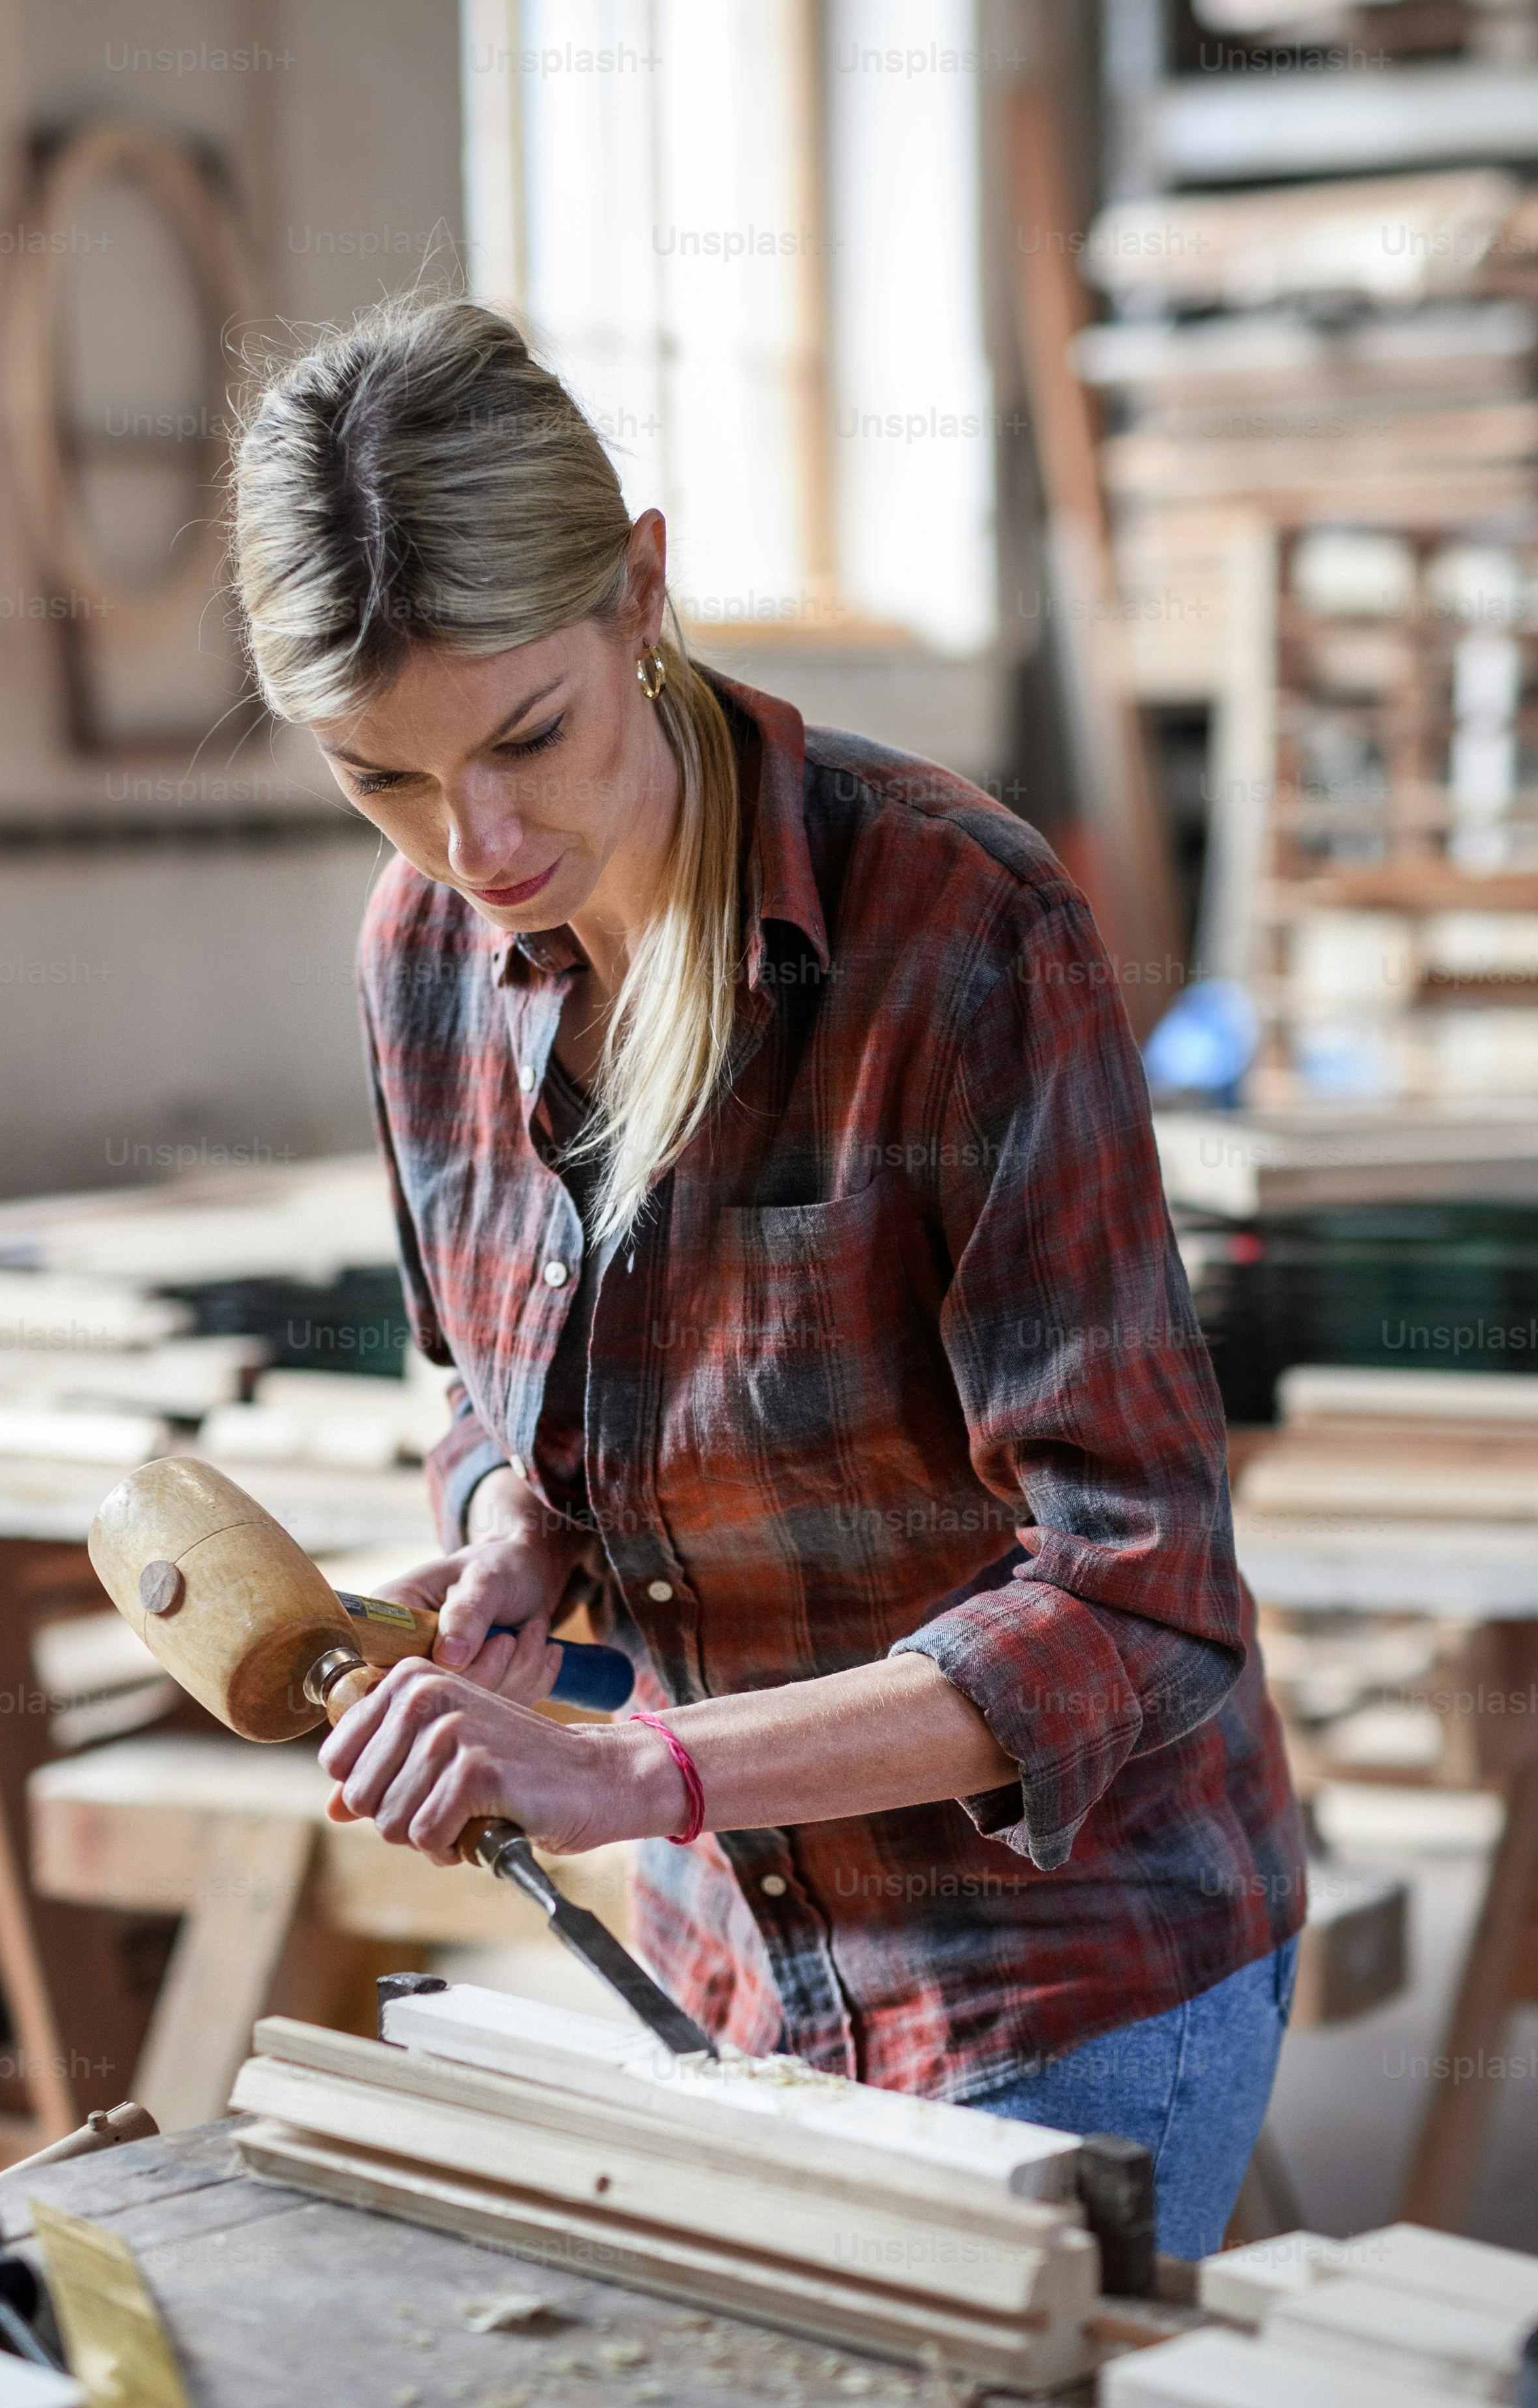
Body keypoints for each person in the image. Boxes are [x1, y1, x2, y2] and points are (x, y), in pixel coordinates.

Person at [224, 296, 1305, 2256]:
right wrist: (506, 1540)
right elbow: (482, 1382)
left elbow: (1143, 1598)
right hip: (719, 1963)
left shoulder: (960, 932)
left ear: (643, 588)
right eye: (379, 777)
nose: (477, 843)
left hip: (1050, 1968)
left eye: (526, 738)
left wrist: (631, 1767)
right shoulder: (423, 956)